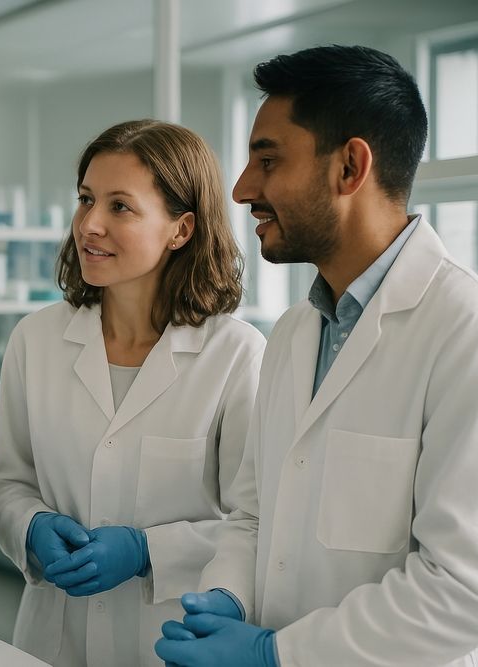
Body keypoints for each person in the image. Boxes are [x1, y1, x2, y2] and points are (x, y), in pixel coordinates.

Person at [156, 45, 478, 667]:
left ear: (350, 166)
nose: (245, 188)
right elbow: (253, 515)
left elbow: (461, 589)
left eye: (268, 161)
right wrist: (226, 594)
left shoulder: (461, 332)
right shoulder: (297, 332)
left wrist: (279, 653)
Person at [0, 119, 265, 666]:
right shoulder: (38, 339)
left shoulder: (235, 354)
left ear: (180, 230)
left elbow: (256, 524)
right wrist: (31, 526)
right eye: (86, 199)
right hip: (51, 640)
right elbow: (8, 482)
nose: (89, 224)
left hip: (168, 640)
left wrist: (148, 552)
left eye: (120, 206)